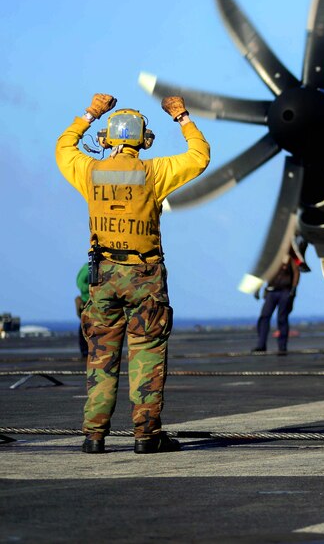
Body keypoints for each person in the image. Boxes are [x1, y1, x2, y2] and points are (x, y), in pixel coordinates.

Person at [56, 94, 210, 454]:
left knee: (100, 357)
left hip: (103, 275)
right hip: (144, 275)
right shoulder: (154, 172)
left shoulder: (88, 171)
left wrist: (90, 112)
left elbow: (64, 147)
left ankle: (94, 435)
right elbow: (199, 156)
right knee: (148, 354)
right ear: (144, 139)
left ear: (107, 139)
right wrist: (182, 116)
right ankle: (146, 436)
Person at [252, 250, 301, 354]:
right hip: (271, 291)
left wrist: (293, 288)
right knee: (264, 317)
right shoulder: (271, 256)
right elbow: (264, 272)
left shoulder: (291, 256)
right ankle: (261, 345)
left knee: (282, 318)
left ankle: (282, 347)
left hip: (285, 291)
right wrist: (257, 288)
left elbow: (296, 271)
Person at [75, 263, 91, 358]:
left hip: (96, 300)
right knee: (83, 325)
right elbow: (80, 283)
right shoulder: (87, 268)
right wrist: (90, 289)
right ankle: (84, 350)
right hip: (86, 301)